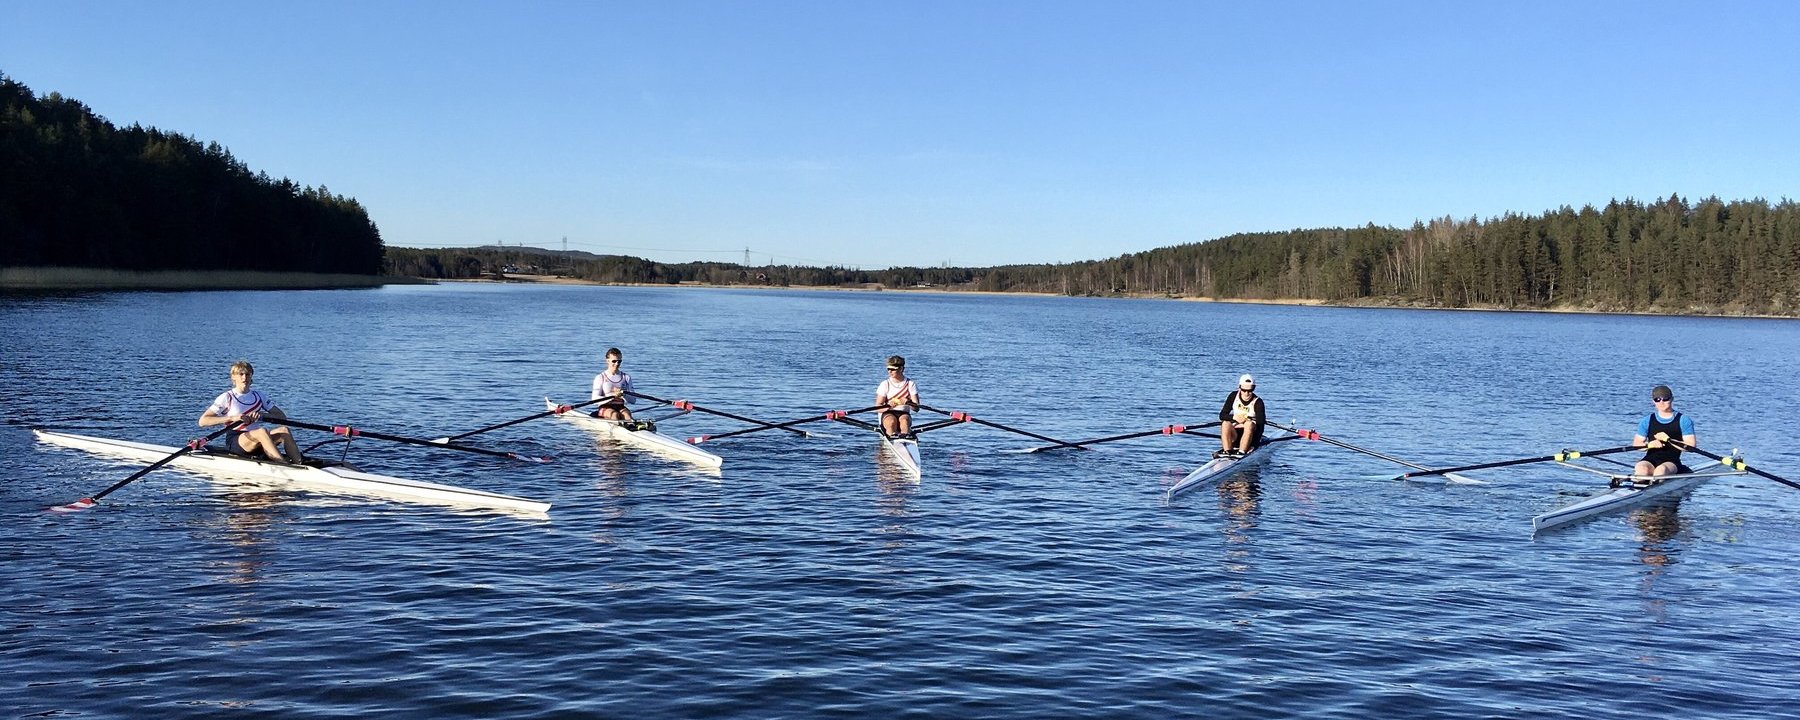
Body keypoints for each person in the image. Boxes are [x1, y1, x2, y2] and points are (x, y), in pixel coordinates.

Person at [198, 360, 304, 464]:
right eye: (241, 374)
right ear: (233, 377)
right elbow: (203, 421)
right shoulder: (227, 397)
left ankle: (299, 463)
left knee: (284, 430)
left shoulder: (258, 396)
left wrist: (262, 415)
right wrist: (232, 418)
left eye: (248, 374)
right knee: (262, 431)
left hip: (258, 438)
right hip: (236, 440)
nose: (245, 377)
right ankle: (283, 464)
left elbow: (281, 417)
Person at [1633, 384, 1696, 478]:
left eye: (1665, 399)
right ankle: (1639, 486)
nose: (1661, 402)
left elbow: (1691, 446)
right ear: (1653, 401)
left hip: (1672, 462)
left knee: (1660, 471)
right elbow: (1636, 444)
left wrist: (1669, 440)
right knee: (1641, 468)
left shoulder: (1683, 420)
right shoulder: (1647, 420)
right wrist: (1649, 445)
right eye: (1657, 399)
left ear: (1672, 399)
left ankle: (1655, 486)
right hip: (1650, 459)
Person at [1216, 374, 1266, 459]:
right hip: (1235, 435)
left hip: (1250, 436)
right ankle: (1227, 451)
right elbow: (1222, 415)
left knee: (1248, 424)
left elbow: (1261, 427)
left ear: (1254, 388)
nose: (1247, 393)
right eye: (1244, 390)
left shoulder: (1258, 402)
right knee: (1225, 423)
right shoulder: (1233, 396)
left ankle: (1242, 451)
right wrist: (1234, 418)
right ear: (1239, 387)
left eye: (1250, 390)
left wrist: (1254, 445)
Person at [591, 347, 643, 428]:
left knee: (627, 416)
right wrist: (613, 396)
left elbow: (633, 401)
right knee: (614, 415)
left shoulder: (626, 377)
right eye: (614, 361)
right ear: (607, 361)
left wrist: (624, 394)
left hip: (620, 407)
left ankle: (632, 428)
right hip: (605, 407)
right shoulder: (600, 377)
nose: (617, 364)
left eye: (619, 361)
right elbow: (594, 400)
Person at [876, 355, 919, 439]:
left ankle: (905, 439)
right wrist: (888, 407)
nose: (889, 372)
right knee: (891, 422)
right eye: (888, 369)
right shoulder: (885, 384)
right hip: (888, 413)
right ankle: (892, 437)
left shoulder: (910, 384)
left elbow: (916, 408)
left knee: (905, 421)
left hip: (904, 414)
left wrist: (908, 403)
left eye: (893, 369)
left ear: (901, 369)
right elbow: (877, 406)